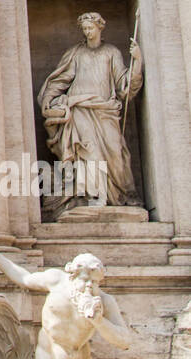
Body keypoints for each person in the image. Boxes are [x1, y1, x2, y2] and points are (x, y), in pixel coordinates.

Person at [0, 245, 133, 359]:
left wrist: (99, 322)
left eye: (95, 282)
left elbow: (124, 341)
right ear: (73, 276)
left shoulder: (104, 301)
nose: (89, 286)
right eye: (85, 280)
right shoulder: (56, 280)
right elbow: (24, 279)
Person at [38, 11, 143, 214]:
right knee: (89, 152)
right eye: (85, 29)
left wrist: (137, 62)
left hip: (105, 110)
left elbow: (124, 86)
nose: (88, 32)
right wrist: (49, 99)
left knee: (116, 155)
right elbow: (61, 80)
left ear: (99, 28)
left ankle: (119, 195)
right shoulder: (76, 53)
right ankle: (95, 196)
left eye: (91, 28)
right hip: (80, 109)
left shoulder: (112, 53)